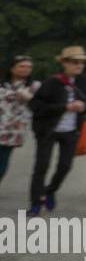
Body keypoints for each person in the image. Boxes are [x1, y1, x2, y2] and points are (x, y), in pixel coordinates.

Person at [27, 46, 86, 215]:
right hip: (49, 129)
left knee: (65, 166)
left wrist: (83, 107)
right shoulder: (52, 82)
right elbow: (35, 105)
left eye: (82, 63)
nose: (79, 66)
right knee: (41, 166)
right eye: (75, 62)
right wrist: (64, 107)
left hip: (71, 130)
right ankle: (36, 201)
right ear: (64, 63)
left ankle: (49, 190)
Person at [0, 55, 38, 186]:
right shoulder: (3, 85)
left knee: (3, 158)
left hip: (13, 129)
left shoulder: (34, 86)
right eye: (22, 66)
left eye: (29, 67)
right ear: (12, 68)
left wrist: (28, 97)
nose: (26, 69)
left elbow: (39, 103)